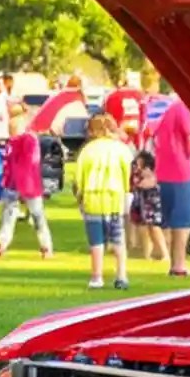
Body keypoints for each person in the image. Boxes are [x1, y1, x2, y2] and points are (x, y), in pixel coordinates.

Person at [73, 114, 133, 290]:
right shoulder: (120, 149)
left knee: (96, 241)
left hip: (93, 198)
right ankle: (121, 275)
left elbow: (79, 176)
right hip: (115, 197)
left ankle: (97, 276)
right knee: (118, 239)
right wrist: (127, 191)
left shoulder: (87, 150)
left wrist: (80, 196)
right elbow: (127, 171)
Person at [0, 111, 54, 258]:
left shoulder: (29, 141)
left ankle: (46, 247)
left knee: (37, 216)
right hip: (13, 185)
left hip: (28, 185)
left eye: (13, 127)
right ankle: (1, 244)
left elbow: (28, 165)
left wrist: (22, 186)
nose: (11, 130)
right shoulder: (13, 142)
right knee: (8, 216)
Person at [152, 96, 190, 276]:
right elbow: (189, 132)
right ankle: (179, 264)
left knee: (171, 218)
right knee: (183, 220)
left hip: (164, 168)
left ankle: (173, 261)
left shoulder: (169, 110)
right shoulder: (183, 107)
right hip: (180, 168)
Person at [128, 149, 167, 261]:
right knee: (144, 229)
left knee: (155, 228)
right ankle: (147, 255)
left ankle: (165, 253)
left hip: (153, 205)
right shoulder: (138, 174)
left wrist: (145, 177)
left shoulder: (153, 175)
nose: (138, 167)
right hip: (143, 204)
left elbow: (146, 184)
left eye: (141, 164)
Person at [103, 71, 146, 149]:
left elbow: (107, 116)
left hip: (119, 133)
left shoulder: (111, 96)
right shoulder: (140, 95)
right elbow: (144, 116)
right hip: (136, 132)